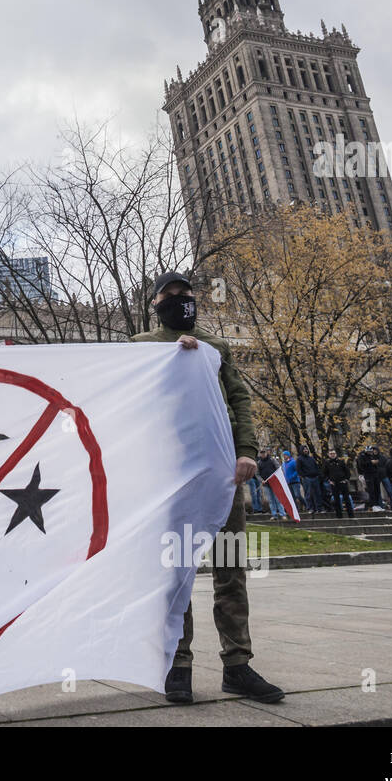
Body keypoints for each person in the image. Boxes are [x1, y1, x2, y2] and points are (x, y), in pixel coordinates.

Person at [132, 271, 283, 705]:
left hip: (222, 471)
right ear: (156, 303)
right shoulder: (141, 347)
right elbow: (133, 401)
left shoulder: (217, 347)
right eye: (171, 294)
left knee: (230, 565)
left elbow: (239, 400)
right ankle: (178, 665)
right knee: (177, 569)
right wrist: (176, 362)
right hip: (172, 473)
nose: (181, 300)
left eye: (187, 294)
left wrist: (247, 449)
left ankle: (237, 664)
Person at [324, 449, 355, 518]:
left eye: (334, 453)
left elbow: (347, 472)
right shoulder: (327, 463)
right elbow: (325, 473)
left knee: (347, 498)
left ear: (336, 454)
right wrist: (329, 481)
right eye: (331, 453)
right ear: (328, 455)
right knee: (336, 499)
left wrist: (346, 479)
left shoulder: (341, 461)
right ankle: (339, 515)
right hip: (334, 484)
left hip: (342, 482)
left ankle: (351, 515)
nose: (332, 455)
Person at [256, 449, 286, 520]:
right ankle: (274, 514)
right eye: (261, 453)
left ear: (266, 453)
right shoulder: (259, 463)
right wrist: (261, 480)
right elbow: (257, 474)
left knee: (278, 499)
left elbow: (279, 469)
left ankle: (282, 514)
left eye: (264, 453)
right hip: (266, 484)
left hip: (275, 483)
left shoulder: (272, 460)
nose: (263, 454)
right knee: (271, 500)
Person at [356, 446, 385, 511]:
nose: (371, 453)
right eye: (369, 452)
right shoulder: (362, 456)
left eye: (371, 452)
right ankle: (373, 505)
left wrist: (376, 463)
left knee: (377, 490)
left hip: (375, 474)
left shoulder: (372, 456)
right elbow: (361, 465)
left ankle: (377, 505)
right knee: (371, 490)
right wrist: (371, 462)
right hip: (368, 474)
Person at [296, 447, 324, 514]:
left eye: (306, 449)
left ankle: (319, 508)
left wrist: (318, 474)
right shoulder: (299, 459)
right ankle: (310, 508)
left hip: (315, 477)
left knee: (317, 493)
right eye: (304, 449)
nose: (305, 450)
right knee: (308, 494)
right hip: (307, 478)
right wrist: (303, 476)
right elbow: (298, 469)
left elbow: (316, 467)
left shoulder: (311, 458)